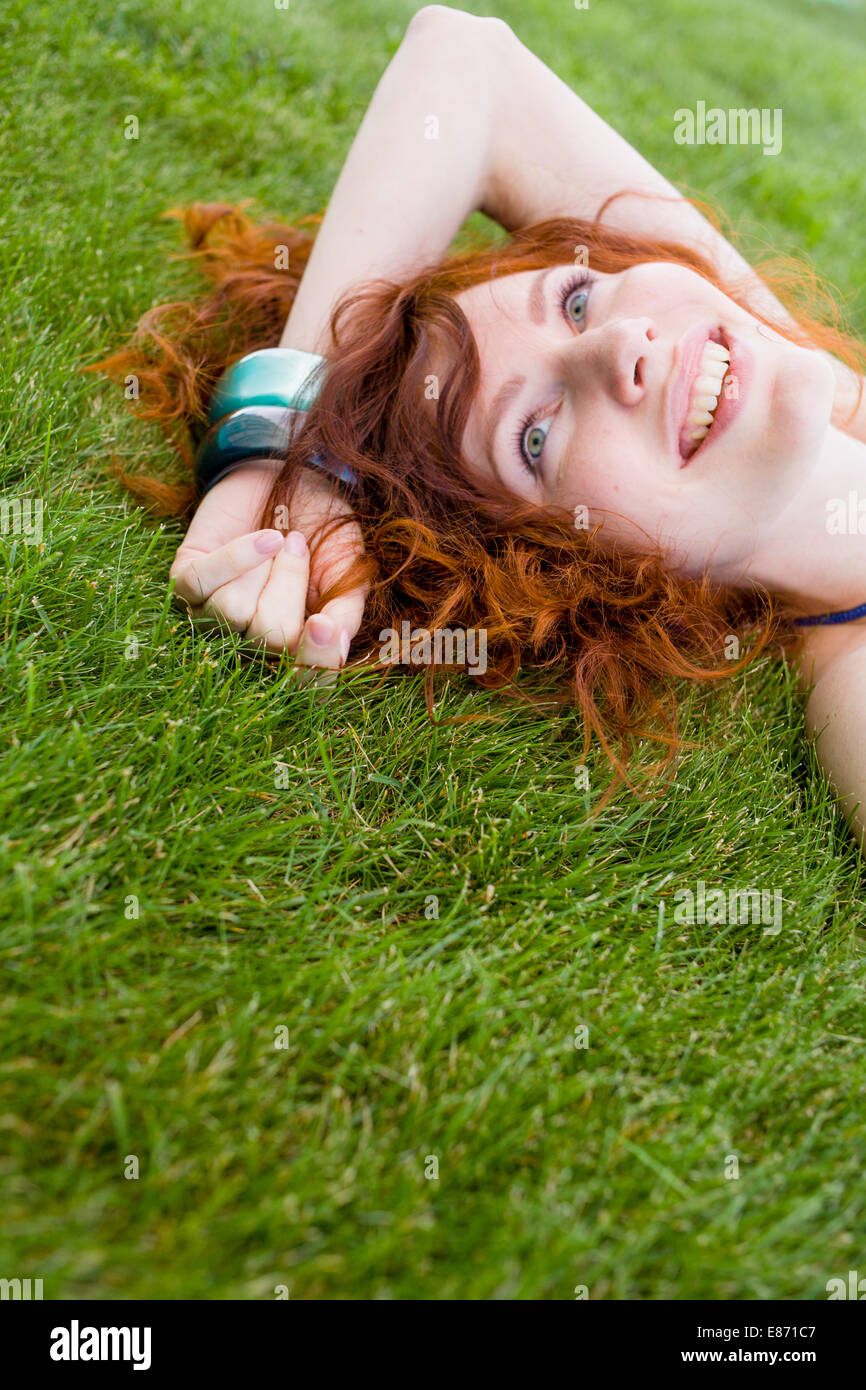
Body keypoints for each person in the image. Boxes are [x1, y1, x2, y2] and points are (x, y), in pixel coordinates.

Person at [93, 6, 866, 841]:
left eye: (576, 300)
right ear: (574, 572)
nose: (622, 346)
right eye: (535, 436)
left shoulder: (729, 334)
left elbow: (466, 60)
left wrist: (297, 433)